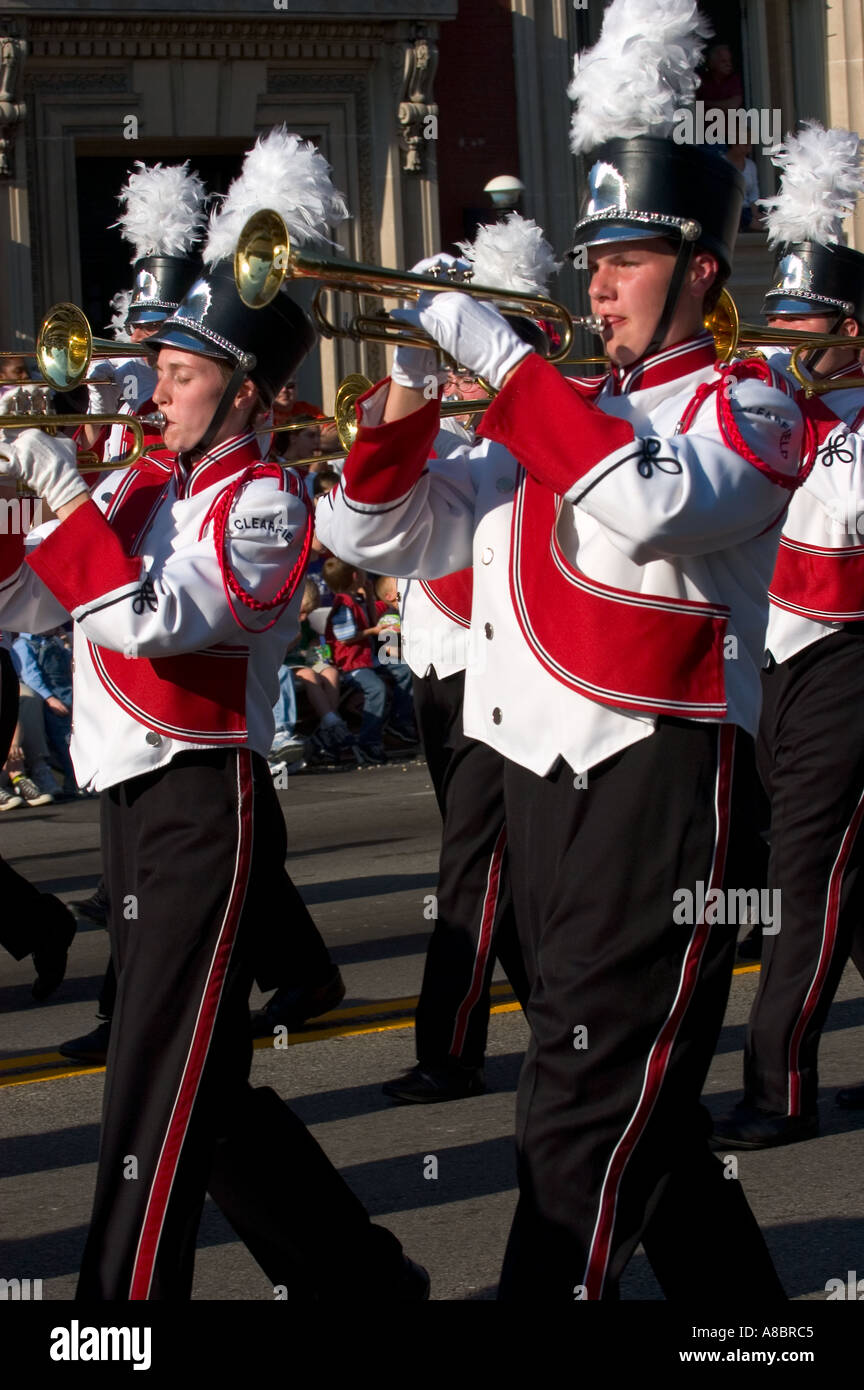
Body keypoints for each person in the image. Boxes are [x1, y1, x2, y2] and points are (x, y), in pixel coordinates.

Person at [317, 0, 808, 1300]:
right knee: (632, 1110)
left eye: (630, 255)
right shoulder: (564, 408)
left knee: (577, 1124)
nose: (596, 281)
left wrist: (499, 358)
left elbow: (654, 502)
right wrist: (412, 402)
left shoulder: (747, 397)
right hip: (542, 791)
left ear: (702, 266)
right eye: (592, 256)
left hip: (666, 794)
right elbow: (382, 537)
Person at [0, 126, 427, 1301]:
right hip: (130, 804)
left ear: (248, 389)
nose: (157, 389)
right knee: (208, 1085)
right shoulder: (145, 481)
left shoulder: (265, 503)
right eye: (162, 368)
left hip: (201, 800)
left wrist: (68, 486)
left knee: (153, 1073)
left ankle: (116, 1316)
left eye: (182, 374)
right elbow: (26, 595)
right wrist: (23, 492)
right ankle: (364, 1281)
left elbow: (147, 621)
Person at [712, 123, 864, 1147]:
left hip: (848, 666)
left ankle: (780, 1087)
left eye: (808, 331)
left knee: (800, 878)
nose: (784, 344)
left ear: (854, 333)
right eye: (781, 325)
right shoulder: (773, 415)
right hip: (776, 666)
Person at [322, 557, 417, 764]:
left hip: (366, 658)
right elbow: (345, 637)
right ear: (356, 576)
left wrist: (369, 601)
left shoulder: (356, 600)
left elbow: (373, 620)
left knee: (404, 669)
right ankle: (369, 741)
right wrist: (374, 631)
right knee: (376, 689)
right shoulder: (343, 604)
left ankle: (400, 721)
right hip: (351, 664)